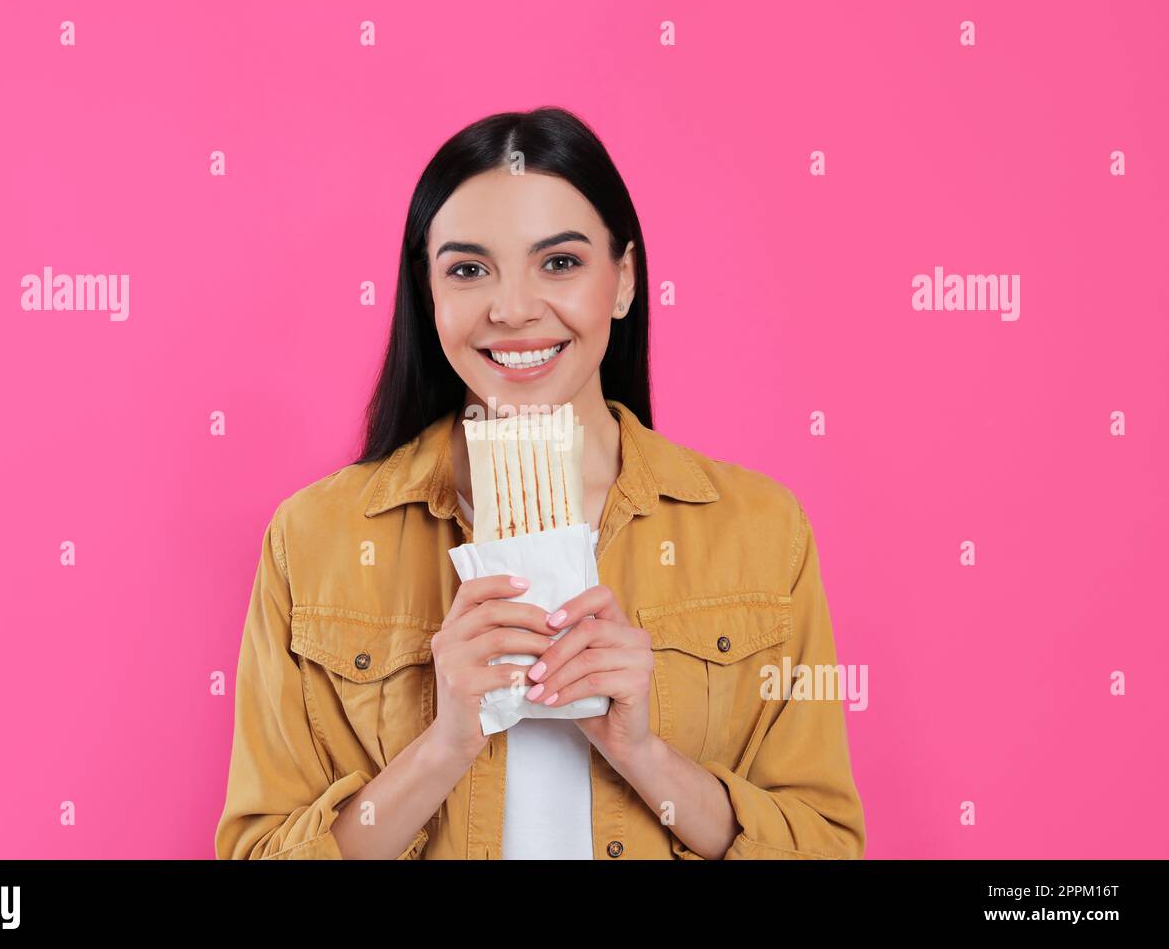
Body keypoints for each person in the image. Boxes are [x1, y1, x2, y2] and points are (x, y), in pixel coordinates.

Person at [214, 106, 866, 860]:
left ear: (623, 281)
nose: (514, 309)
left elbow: (824, 848)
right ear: (429, 297)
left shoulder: (758, 529)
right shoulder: (316, 538)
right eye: (467, 269)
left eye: (559, 262)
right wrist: (445, 743)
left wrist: (642, 754)